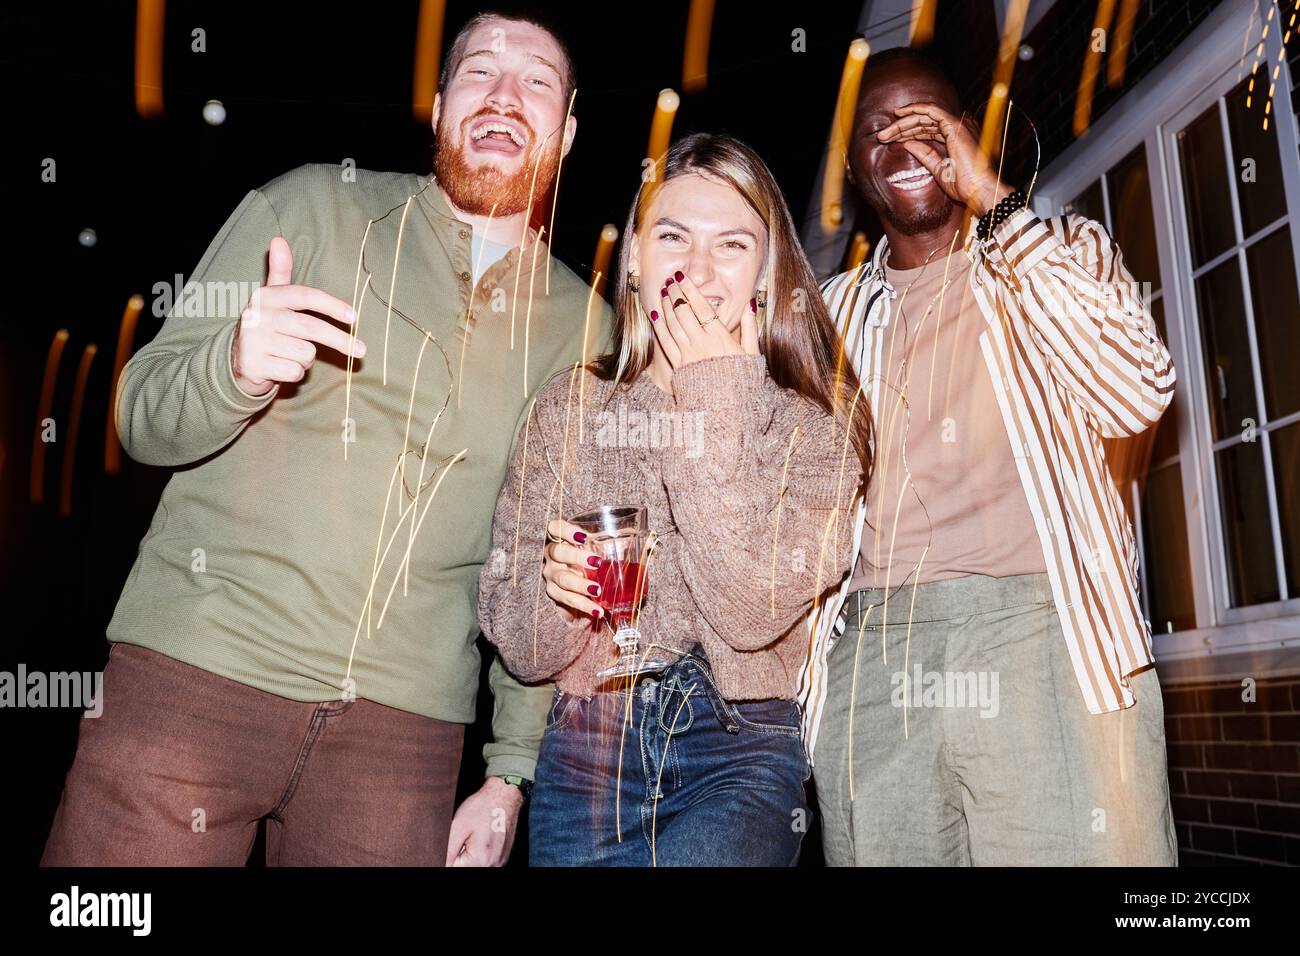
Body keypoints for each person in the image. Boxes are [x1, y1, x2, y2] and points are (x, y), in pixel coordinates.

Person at [42, 9, 610, 866]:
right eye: (479, 71)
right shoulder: (306, 206)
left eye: (537, 80)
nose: (504, 96)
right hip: (196, 680)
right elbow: (138, 413)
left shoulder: (587, 328)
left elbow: (548, 560)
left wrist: (509, 774)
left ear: (565, 134)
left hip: (403, 739)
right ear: (438, 102)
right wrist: (231, 367)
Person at [801, 46, 1178, 866]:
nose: (902, 147)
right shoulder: (827, 316)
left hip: (1044, 636)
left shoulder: (1060, 252)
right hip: (876, 656)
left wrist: (997, 208)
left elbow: (1137, 395)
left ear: (969, 138)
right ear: (855, 165)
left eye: (926, 126)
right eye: (877, 132)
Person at [478, 133, 871, 866]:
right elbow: (524, 651)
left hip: (741, 751)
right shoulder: (570, 407)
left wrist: (714, 393)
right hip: (587, 748)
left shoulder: (817, 425)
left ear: (766, 271)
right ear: (633, 257)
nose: (697, 269)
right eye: (671, 237)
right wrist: (557, 598)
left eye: (732, 244)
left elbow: (748, 609)